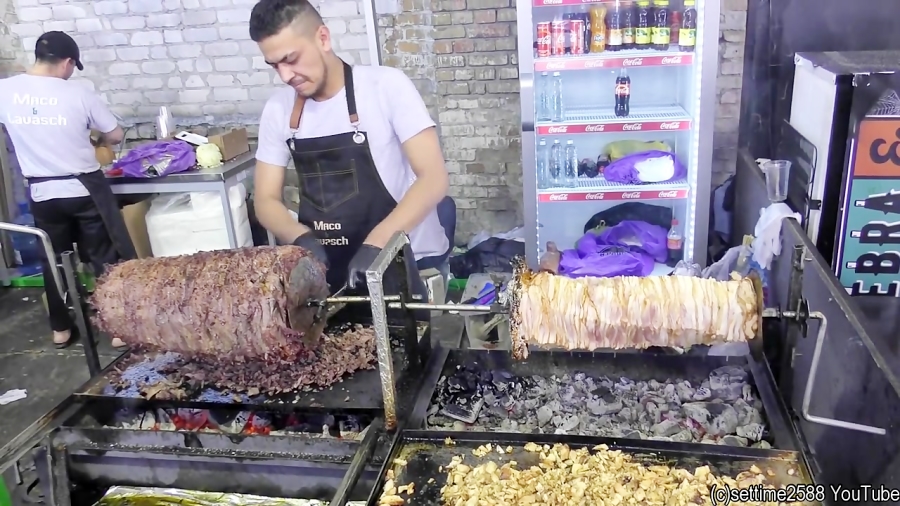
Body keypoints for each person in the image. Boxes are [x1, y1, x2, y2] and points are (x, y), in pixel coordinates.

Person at [249, 0, 450, 304]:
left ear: (323, 38)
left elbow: (433, 179)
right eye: (275, 65)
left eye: (291, 59)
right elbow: (265, 200)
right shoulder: (278, 111)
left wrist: (376, 245)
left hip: (408, 262)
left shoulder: (386, 87)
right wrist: (299, 236)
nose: (285, 76)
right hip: (330, 271)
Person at [0, 31, 136, 348]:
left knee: (54, 260)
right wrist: (94, 136)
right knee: (103, 256)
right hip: (83, 189)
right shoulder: (78, 93)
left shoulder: (5, 90)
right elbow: (115, 134)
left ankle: (60, 329)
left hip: (43, 193)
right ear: (67, 62)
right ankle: (117, 330)